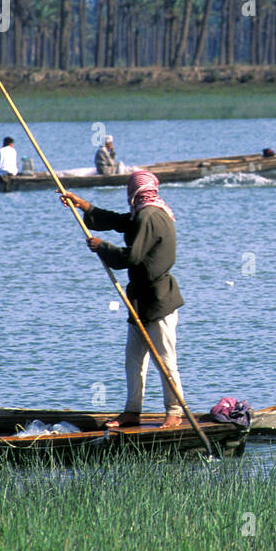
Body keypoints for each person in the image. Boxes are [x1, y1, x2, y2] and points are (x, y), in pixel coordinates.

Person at [60, 171, 185, 429]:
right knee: (134, 359)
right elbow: (120, 221)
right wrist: (84, 205)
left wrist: (101, 247)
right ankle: (132, 411)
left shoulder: (150, 215)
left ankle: (174, 412)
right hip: (139, 299)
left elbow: (132, 257)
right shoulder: (143, 212)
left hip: (158, 299)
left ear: (136, 191)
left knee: (165, 359)